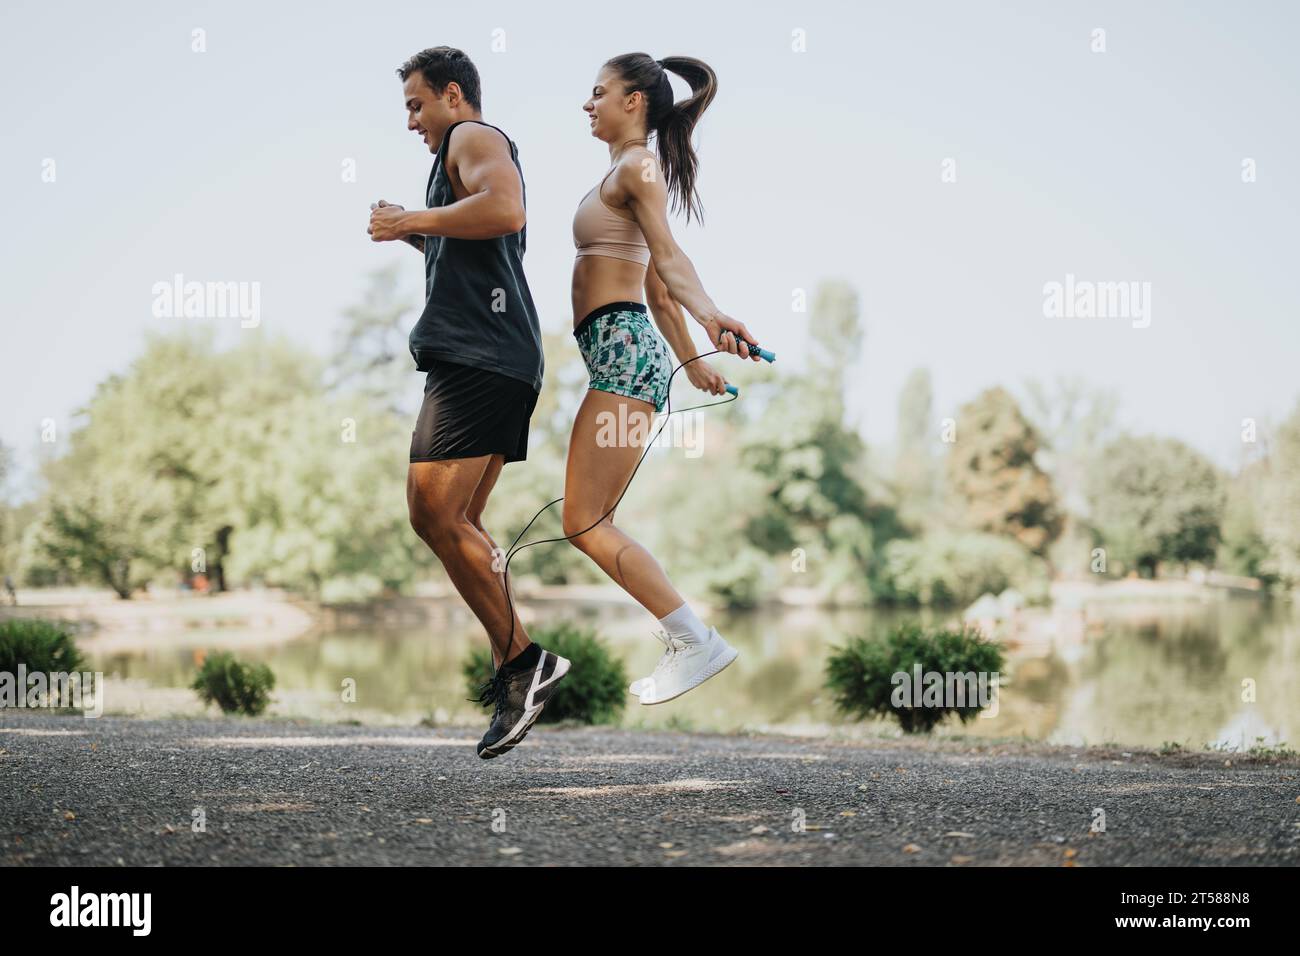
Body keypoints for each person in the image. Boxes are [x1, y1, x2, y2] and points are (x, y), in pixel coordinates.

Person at [368, 46, 569, 759]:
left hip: (481, 359)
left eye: (417, 105)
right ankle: (517, 664)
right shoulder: (452, 157)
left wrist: (413, 217)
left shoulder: (471, 137)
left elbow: (505, 208)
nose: (414, 122)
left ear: (454, 95)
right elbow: (476, 240)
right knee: (462, 523)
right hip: (494, 355)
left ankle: (522, 663)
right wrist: (416, 229)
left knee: (433, 511)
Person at [563, 53, 763, 705]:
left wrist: (710, 316)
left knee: (585, 522)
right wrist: (696, 360)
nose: (587, 104)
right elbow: (653, 283)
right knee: (593, 520)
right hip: (623, 352)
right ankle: (688, 636)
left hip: (623, 354)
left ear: (634, 102)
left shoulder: (637, 166)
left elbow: (672, 263)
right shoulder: (621, 174)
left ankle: (692, 638)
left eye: (599, 93)